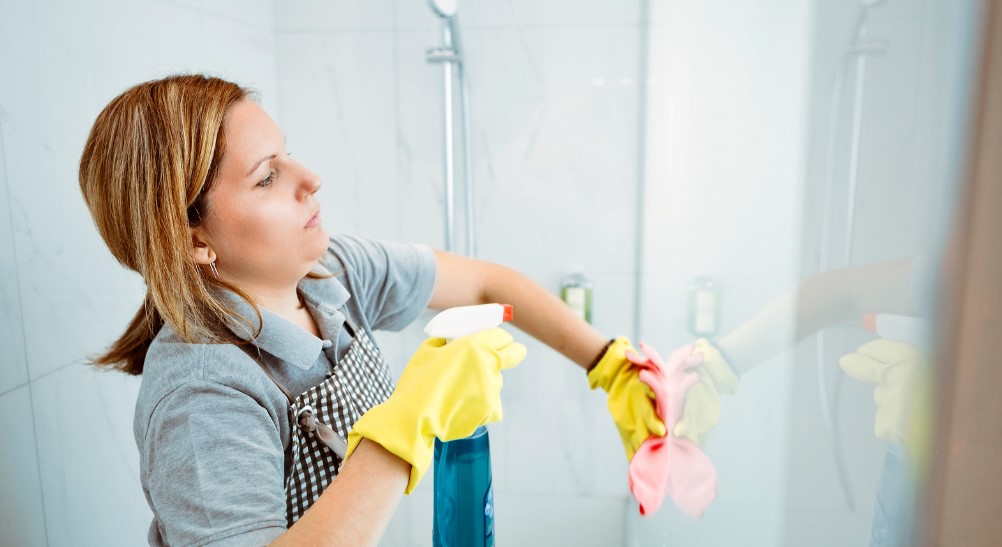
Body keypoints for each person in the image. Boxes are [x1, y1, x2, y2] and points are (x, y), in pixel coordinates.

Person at [78, 74, 669, 546]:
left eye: (290, 156)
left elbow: (488, 283)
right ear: (192, 241)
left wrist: (609, 363)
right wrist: (403, 423)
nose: (310, 180)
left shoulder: (329, 273)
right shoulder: (201, 394)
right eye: (267, 179)